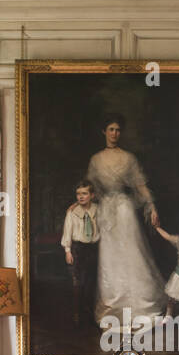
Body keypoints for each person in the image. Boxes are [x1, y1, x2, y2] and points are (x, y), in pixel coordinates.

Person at [86, 114, 167, 326]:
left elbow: (140, 185)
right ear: (104, 131)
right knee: (110, 260)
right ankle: (114, 308)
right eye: (111, 129)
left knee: (132, 254)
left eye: (118, 130)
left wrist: (152, 206)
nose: (115, 133)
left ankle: (141, 306)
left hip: (124, 209)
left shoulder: (129, 158)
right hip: (105, 212)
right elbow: (90, 190)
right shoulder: (95, 159)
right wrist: (79, 204)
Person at [60, 180, 101, 326]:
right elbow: (67, 231)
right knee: (78, 281)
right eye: (78, 194)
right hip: (78, 248)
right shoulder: (72, 212)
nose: (81, 197)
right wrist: (67, 250)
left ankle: (90, 312)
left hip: (94, 248)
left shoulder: (98, 210)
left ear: (92, 195)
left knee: (92, 281)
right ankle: (77, 313)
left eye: (84, 193)